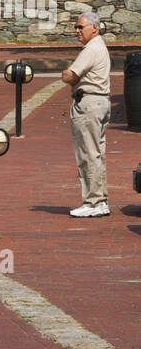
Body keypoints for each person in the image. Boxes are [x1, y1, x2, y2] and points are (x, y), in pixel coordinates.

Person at [61, 13, 111, 217]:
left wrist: (66, 74)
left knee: (88, 154)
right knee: (96, 153)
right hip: (98, 102)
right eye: (76, 27)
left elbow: (70, 75)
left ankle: (94, 202)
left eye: (81, 27)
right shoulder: (97, 46)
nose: (77, 30)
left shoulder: (91, 49)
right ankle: (99, 200)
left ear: (95, 28)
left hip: (89, 104)